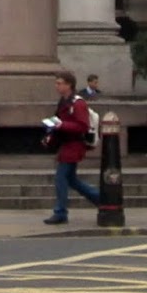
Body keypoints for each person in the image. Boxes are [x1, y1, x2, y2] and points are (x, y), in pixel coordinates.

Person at [43, 69, 99, 225]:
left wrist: (62, 125)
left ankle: (60, 212)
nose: (56, 86)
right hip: (67, 144)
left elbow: (82, 126)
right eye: (56, 83)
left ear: (69, 85)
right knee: (72, 180)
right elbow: (59, 123)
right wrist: (50, 137)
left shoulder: (78, 103)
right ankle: (101, 199)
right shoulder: (64, 102)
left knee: (61, 178)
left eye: (59, 83)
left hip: (74, 145)